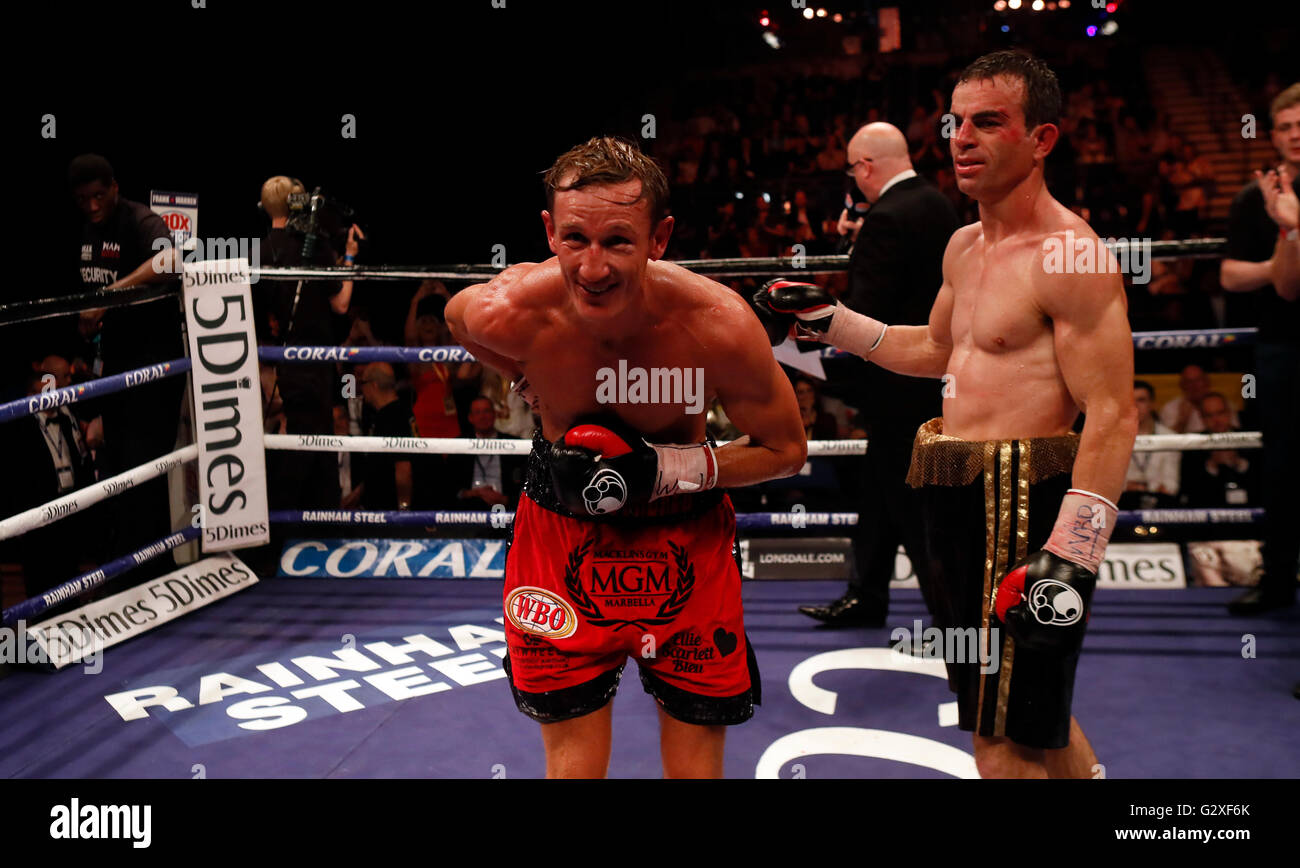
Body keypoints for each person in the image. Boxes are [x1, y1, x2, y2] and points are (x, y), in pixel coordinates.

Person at [755, 51, 1138, 778]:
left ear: (1042, 139)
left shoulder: (1070, 254)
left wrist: (1073, 555)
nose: (962, 138)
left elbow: (1114, 412)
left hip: (1024, 498)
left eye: (989, 122)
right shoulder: (965, 247)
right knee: (1013, 705)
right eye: (956, 121)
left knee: (1000, 741)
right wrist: (828, 319)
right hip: (954, 491)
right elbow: (935, 349)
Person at [446, 136, 805, 779]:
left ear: (660, 237)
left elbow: (787, 450)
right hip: (559, 538)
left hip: (685, 540)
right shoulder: (512, 309)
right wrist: (527, 380)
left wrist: (670, 469)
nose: (592, 268)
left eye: (617, 241)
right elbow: (458, 319)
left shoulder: (716, 323)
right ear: (549, 231)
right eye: (575, 239)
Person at [799, 121, 959, 629]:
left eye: (853, 170)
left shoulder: (886, 219)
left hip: (895, 382)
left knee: (908, 499)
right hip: (935, 377)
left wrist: (808, 343)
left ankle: (949, 614)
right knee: (879, 489)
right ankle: (865, 593)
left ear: (865, 167)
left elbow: (866, 314)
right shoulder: (938, 203)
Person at [67, 154, 187, 583]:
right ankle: (128, 572)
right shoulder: (86, 232)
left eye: (100, 195)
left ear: (115, 187)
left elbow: (171, 260)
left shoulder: (140, 219)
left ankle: (150, 573)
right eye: (84, 199)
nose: (93, 205)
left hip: (154, 371)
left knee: (144, 470)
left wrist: (110, 295)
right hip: (115, 371)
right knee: (117, 471)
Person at [1220, 82, 1300, 616]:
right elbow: (1230, 274)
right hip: (1280, 348)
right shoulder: (1254, 198)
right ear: (1272, 136)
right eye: (1287, 127)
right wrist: (1283, 254)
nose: (1296, 136)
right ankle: (1276, 584)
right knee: (1281, 472)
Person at [1179, 392, 1260, 508]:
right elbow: (1191, 491)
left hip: (1250, 510)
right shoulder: (1193, 446)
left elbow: (1261, 482)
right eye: (1209, 415)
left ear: (1229, 413)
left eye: (1220, 413)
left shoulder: (1249, 440)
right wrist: (1211, 466)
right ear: (1202, 418)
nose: (1216, 420)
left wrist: (1239, 463)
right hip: (1209, 511)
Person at [448, 396, 526, 510]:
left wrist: (505, 500)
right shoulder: (458, 445)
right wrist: (472, 493)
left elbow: (524, 486)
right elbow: (448, 486)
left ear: (495, 415)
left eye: (487, 411)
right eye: (478, 412)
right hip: (468, 507)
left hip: (505, 506)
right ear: (470, 418)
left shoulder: (514, 444)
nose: (482, 416)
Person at [1121, 380, 1180, 509]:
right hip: (1123, 503)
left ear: (1152, 404)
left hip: (1161, 504)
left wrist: (1139, 487)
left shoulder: (1170, 437)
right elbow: (1110, 482)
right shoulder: (1114, 438)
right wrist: (1126, 486)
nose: (1135, 405)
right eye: (1131, 400)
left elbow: (1171, 485)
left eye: (1141, 400)